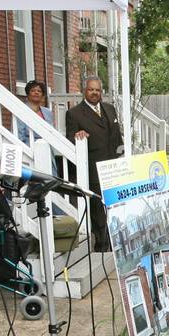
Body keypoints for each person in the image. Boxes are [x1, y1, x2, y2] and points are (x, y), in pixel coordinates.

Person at [64, 76, 122, 252]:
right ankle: (102, 247)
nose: (95, 93)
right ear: (85, 91)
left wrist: (121, 158)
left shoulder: (110, 109)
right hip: (93, 170)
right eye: (91, 89)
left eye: (97, 90)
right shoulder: (74, 113)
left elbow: (117, 136)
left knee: (114, 208)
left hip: (113, 168)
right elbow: (69, 141)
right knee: (98, 212)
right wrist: (77, 136)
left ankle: (116, 243)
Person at [15, 79, 54, 146]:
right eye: (33, 91)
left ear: (42, 95)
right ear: (28, 94)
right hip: (28, 148)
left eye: (39, 91)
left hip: (46, 148)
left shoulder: (47, 112)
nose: (36, 92)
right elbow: (19, 136)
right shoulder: (21, 110)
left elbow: (52, 134)